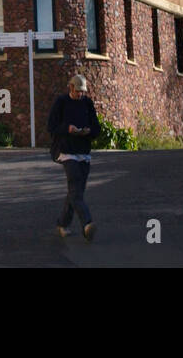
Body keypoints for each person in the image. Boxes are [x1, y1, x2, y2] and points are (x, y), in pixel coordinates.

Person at [46, 74, 100, 241]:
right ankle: (87, 224)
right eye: (78, 92)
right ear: (70, 88)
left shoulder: (87, 103)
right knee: (75, 187)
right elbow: (51, 126)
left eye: (83, 92)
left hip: (83, 151)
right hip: (66, 151)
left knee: (76, 191)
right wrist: (67, 129)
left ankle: (63, 224)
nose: (80, 95)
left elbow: (96, 126)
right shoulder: (61, 102)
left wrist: (89, 131)